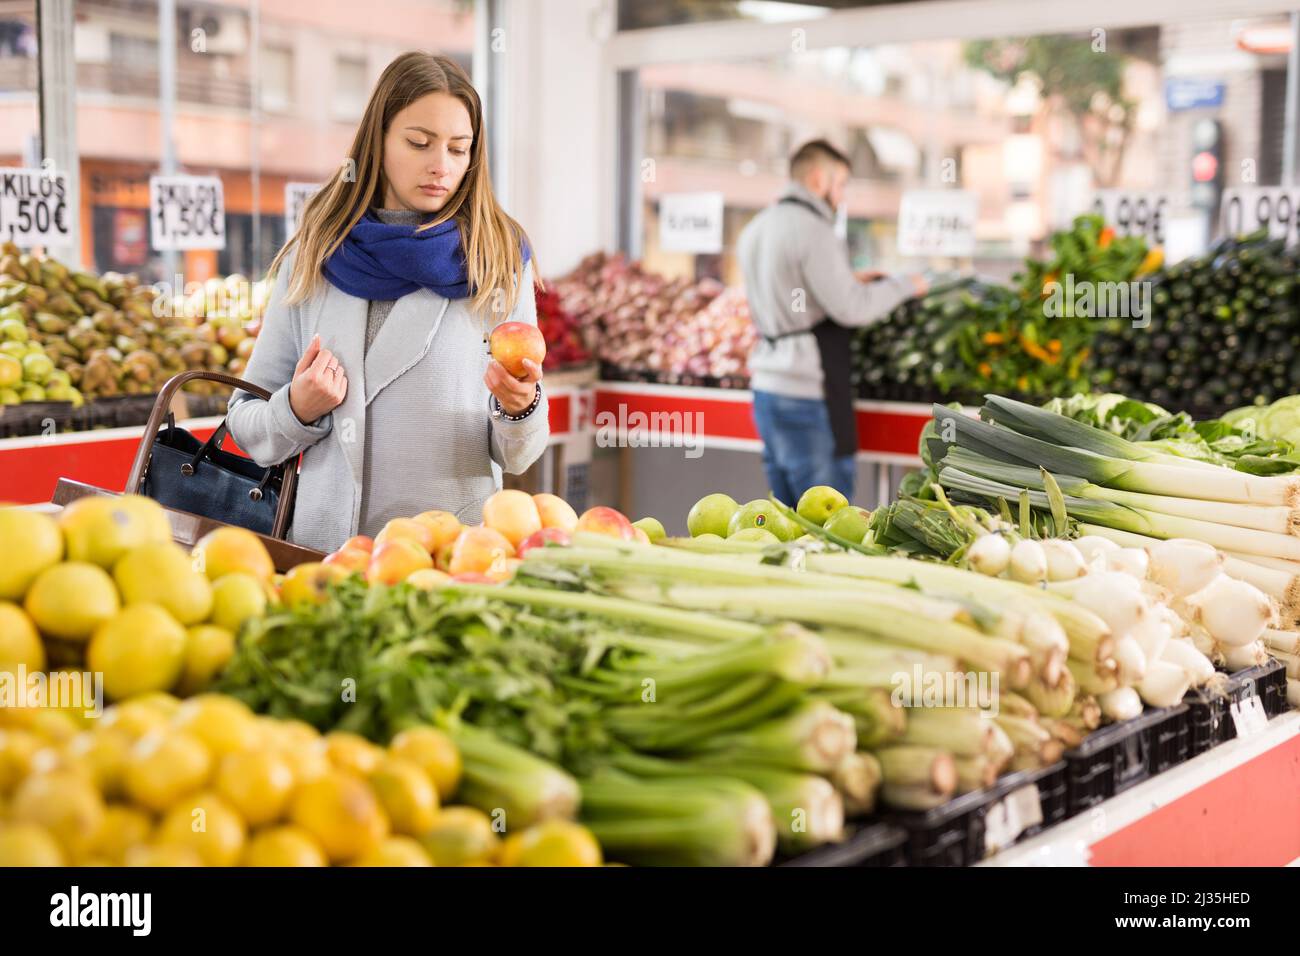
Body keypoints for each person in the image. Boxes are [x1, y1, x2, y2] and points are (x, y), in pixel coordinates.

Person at [227, 52, 548, 554]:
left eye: (459, 149)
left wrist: (519, 409)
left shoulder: (498, 259)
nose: (441, 166)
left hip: (448, 559)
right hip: (326, 555)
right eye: (419, 143)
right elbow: (245, 424)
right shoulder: (316, 252)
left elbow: (518, 456)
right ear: (377, 141)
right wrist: (297, 409)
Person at [738, 139, 926, 505]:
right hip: (806, 395)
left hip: (766, 389)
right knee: (827, 523)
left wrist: (850, 279)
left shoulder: (757, 227)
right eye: (839, 185)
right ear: (816, 179)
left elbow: (793, 290)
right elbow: (852, 309)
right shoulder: (814, 229)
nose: (841, 197)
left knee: (785, 519)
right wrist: (905, 285)